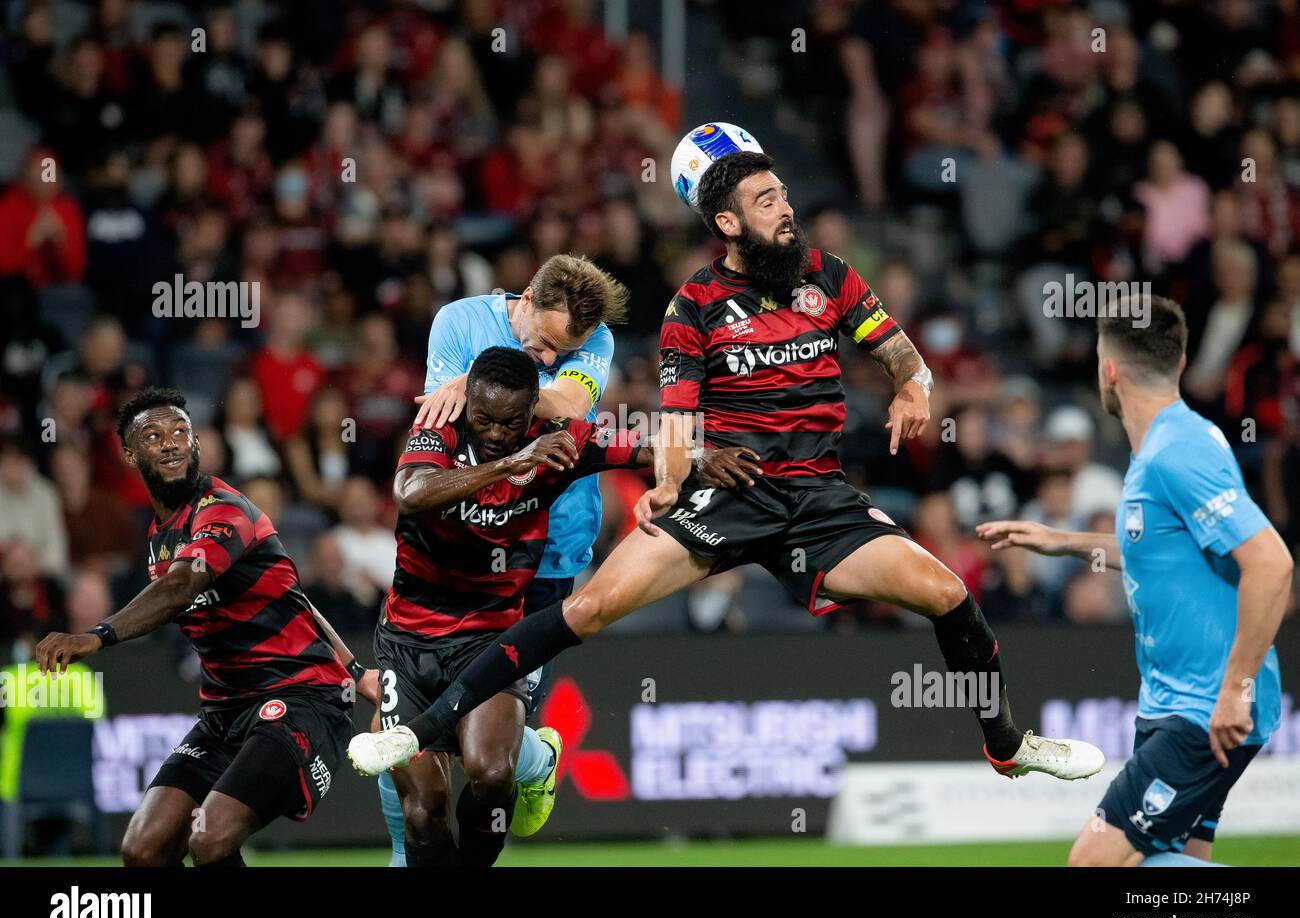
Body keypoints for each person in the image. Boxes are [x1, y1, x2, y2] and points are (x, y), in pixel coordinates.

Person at [350, 150, 1104, 782]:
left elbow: (898, 350)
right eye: (766, 198)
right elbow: (677, 421)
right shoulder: (694, 306)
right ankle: (417, 732)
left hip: (818, 498)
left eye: (782, 193)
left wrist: (916, 385)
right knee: (585, 611)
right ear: (727, 222)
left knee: (944, 591)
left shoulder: (830, 276)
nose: (785, 208)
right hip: (726, 488)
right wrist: (668, 489)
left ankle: (1007, 746)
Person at [978, 296, 1293, 867]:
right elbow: (1161, 553)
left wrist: (1235, 690)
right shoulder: (1167, 446)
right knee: (1169, 864)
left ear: (1109, 370)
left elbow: (1272, 564)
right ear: (1181, 359)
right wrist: (1064, 542)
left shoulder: (1181, 450)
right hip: (1177, 700)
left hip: (1204, 707)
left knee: (1094, 863)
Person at [35, 387, 377, 867]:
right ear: (130, 455)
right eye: (154, 436)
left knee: (210, 838)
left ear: (196, 445)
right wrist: (359, 668)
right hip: (224, 713)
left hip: (300, 699)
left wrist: (97, 634)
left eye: (180, 432)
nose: (171, 442)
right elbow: (295, 601)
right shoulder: (158, 536)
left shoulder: (224, 509)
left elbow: (182, 586)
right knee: (143, 848)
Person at [375, 347, 661, 865]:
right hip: (408, 641)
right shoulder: (439, 431)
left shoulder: (562, 442)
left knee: (491, 771)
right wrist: (514, 462)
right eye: (483, 418)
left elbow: (648, 447)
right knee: (423, 810)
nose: (493, 432)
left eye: (510, 423)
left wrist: (702, 460)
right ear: (467, 407)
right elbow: (409, 491)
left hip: (493, 637)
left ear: (535, 411)